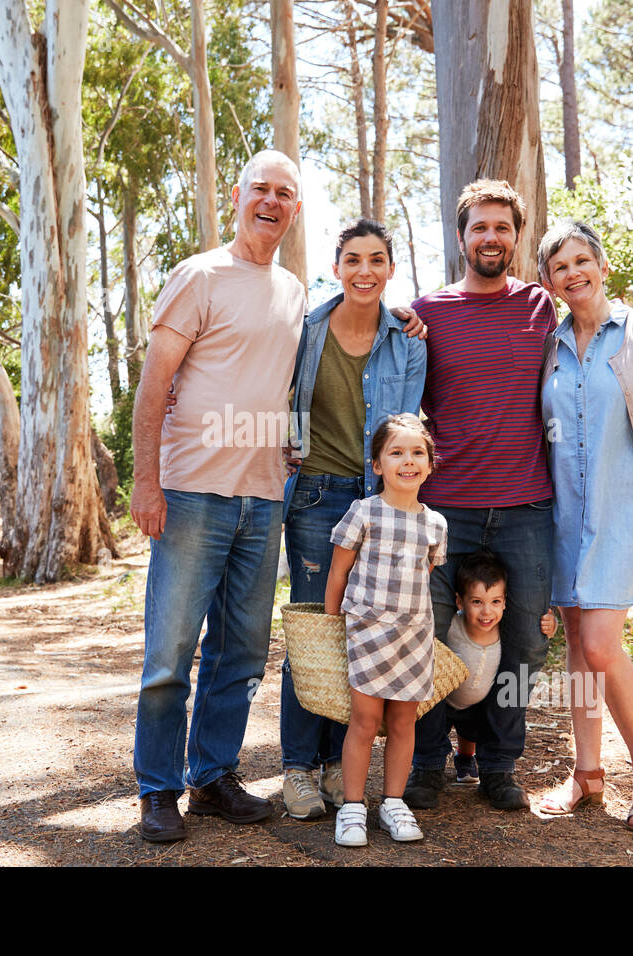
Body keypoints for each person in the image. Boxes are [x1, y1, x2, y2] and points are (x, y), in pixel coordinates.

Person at [129, 149, 306, 843]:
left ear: (295, 207)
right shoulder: (199, 275)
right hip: (193, 493)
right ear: (238, 195)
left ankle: (212, 777)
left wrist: (289, 441)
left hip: (264, 500)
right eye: (260, 188)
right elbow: (154, 385)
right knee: (170, 654)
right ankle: (158, 790)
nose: (270, 201)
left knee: (239, 651)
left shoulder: (293, 290)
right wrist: (147, 481)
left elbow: (281, 382)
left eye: (284, 193)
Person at [534, 219, 633, 832]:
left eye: (581, 261)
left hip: (626, 512)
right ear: (548, 281)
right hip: (563, 518)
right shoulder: (550, 345)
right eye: (559, 267)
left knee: (601, 646)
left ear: (602, 266)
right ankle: (587, 773)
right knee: (576, 647)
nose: (572, 274)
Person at [404, 179, 557, 813]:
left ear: (517, 237)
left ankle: (498, 764)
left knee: (522, 640)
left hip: (526, 507)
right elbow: (398, 396)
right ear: (461, 236)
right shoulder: (427, 313)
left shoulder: (543, 308)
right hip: (444, 509)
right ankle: (427, 764)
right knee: (431, 637)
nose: (490, 238)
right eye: (479, 228)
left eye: (502, 227)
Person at [278, 219, 427, 821]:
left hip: (381, 502)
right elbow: (280, 398)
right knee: (316, 629)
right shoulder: (306, 330)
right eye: (352, 260)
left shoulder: (410, 342)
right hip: (314, 497)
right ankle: (297, 768)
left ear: (391, 269)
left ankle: (342, 763)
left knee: (368, 633)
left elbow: (406, 424)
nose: (364, 270)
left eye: (376, 260)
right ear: (336, 268)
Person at [322, 414, 447, 846]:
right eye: (396, 452)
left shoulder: (436, 524)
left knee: (403, 720)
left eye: (417, 453)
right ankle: (353, 807)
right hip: (368, 632)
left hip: (414, 635)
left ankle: (393, 802)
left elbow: (424, 577)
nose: (407, 461)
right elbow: (338, 573)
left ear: (430, 464)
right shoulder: (363, 513)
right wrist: (332, 622)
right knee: (364, 719)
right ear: (377, 464)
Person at [443, 551, 558, 785]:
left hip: (480, 701)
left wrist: (551, 625)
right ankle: (428, 764)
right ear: (459, 602)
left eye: (495, 602)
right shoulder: (452, 626)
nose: (487, 612)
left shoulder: (505, 629)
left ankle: (465, 757)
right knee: (434, 725)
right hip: (445, 698)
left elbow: (529, 640)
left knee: (474, 727)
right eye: (477, 602)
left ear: (505, 602)